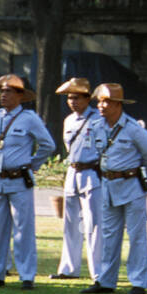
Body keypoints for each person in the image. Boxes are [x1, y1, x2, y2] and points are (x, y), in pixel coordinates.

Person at [0, 75, 54, 289]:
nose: (4, 95)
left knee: (23, 229)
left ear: (20, 95)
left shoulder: (29, 118)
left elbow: (47, 145)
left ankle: (27, 276)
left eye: (9, 91)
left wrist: (31, 164)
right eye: (2, 91)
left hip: (19, 180)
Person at [82, 84, 147, 294]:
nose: (101, 106)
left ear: (117, 104)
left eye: (105, 102)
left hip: (131, 185)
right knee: (108, 235)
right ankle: (105, 280)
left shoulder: (133, 128)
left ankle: (138, 282)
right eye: (99, 102)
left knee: (136, 236)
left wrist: (137, 173)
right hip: (107, 185)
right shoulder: (97, 126)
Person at [50, 77, 103, 283]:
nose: (72, 101)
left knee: (93, 224)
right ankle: (69, 268)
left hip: (92, 173)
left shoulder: (98, 119)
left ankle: (97, 271)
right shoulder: (69, 121)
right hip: (73, 173)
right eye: (70, 98)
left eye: (77, 98)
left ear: (88, 99)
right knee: (71, 223)